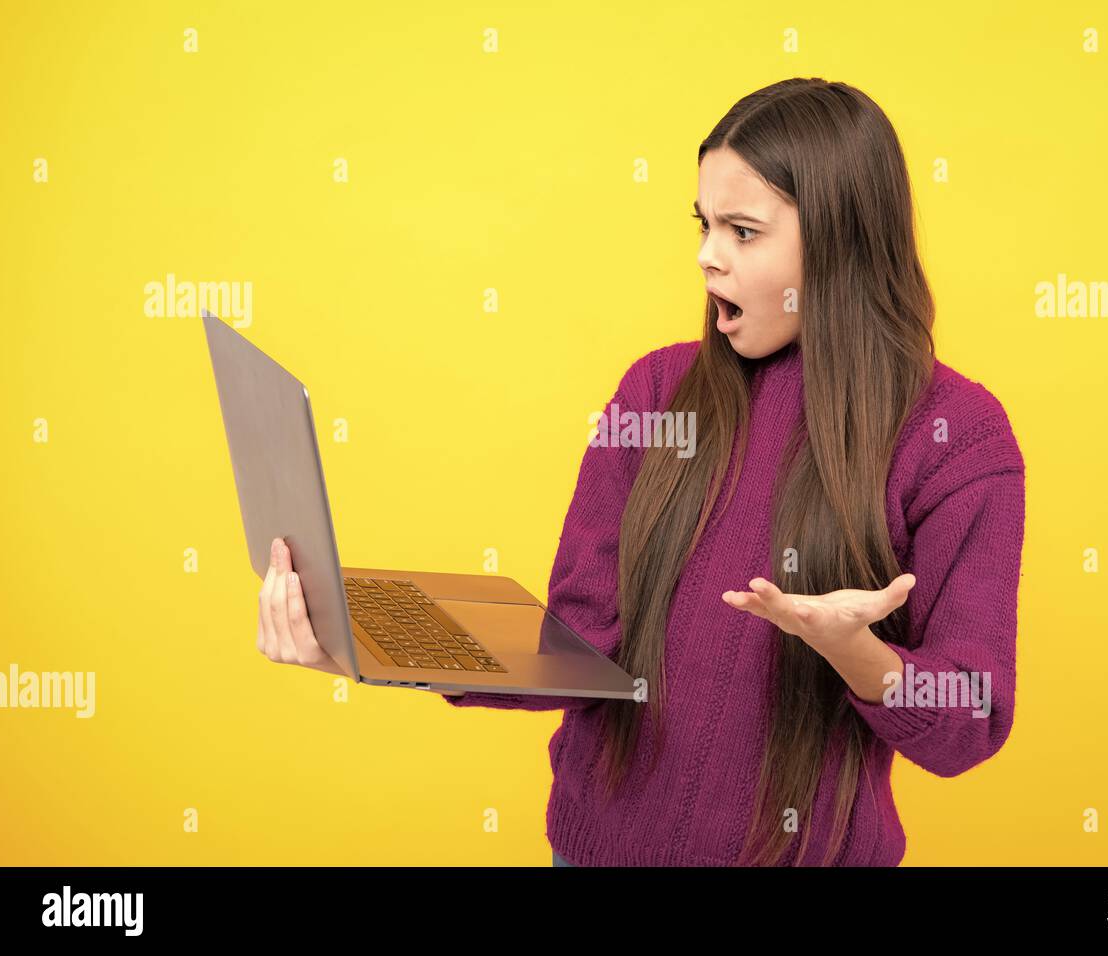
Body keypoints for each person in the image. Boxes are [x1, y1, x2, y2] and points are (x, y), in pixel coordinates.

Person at [257, 77, 1026, 867]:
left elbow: (970, 717)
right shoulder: (656, 396)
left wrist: (854, 651)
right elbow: (580, 641)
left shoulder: (957, 439)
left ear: (841, 240)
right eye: (703, 225)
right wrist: (367, 642)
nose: (706, 257)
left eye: (743, 231)